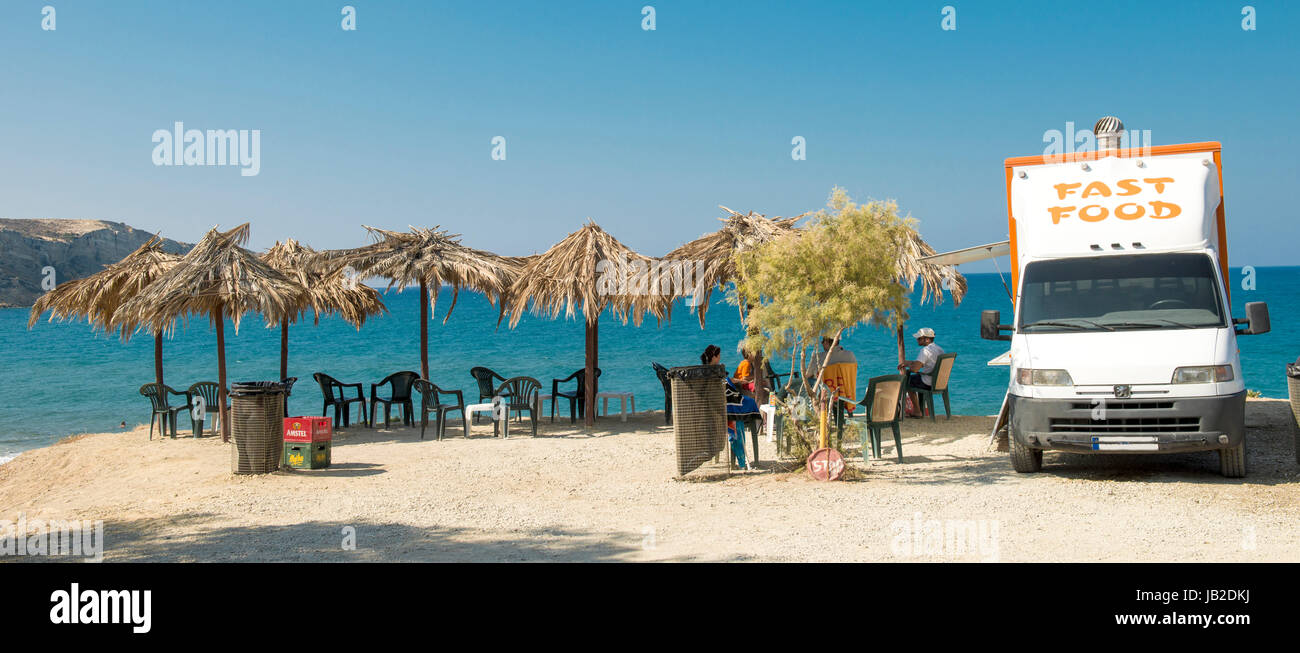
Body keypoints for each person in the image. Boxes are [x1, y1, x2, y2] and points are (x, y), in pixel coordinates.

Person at [702, 344, 758, 471]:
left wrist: (736, 381)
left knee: (740, 411)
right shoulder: (715, 371)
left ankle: (742, 460)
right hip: (722, 410)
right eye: (719, 355)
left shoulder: (705, 371)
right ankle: (742, 461)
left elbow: (726, 381)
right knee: (740, 415)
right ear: (714, 356)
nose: (720, 357)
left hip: (714, 409)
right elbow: (725, 382)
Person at [897, 327, 945, 417]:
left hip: (927, 382)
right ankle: (919, 410)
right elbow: (923, 363)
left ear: (927, 339)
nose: (917, 339)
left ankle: (917, 411)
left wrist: (908, 368)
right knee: (912, 379)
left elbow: (915, 369)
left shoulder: (925, 351)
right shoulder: (940, 349)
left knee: (906, 381)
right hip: (938, 381)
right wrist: (910, 363)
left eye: (919, 338)